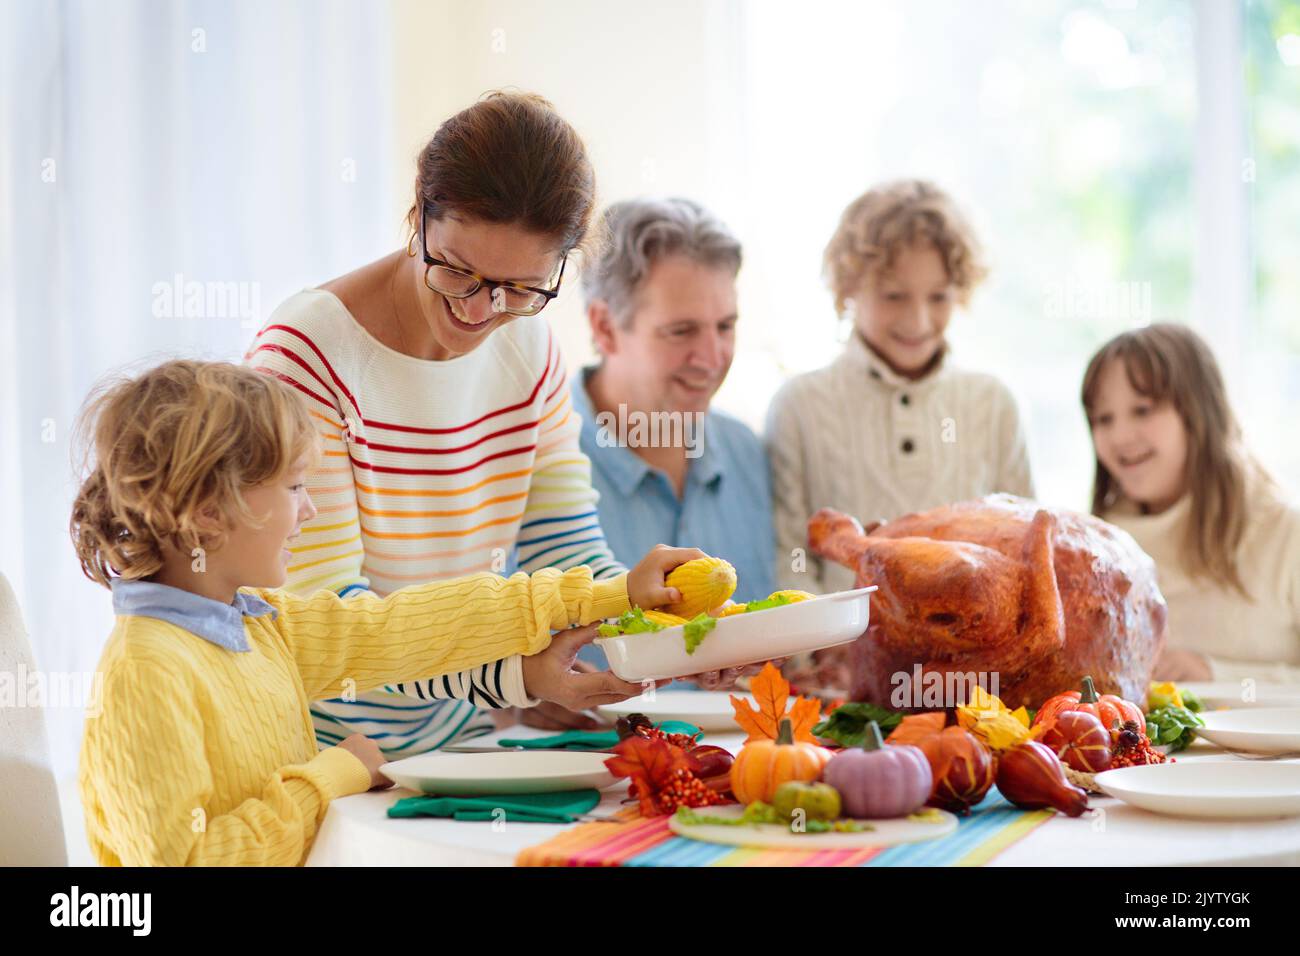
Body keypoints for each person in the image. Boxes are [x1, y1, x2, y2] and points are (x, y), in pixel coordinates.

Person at [247, 92, 741, 750]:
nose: (483, 312)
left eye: (521, 288)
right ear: (417, 215)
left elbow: (566, 556)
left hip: (453, 752)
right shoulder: (304, 357)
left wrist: (680, 634)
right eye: (457, 271)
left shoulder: (529, 351)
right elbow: (329, 631)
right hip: (311, 761)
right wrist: (515, 678)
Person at [71, 360, 699, 865]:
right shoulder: (145, 672)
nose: (309, 511)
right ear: (210, 511)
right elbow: (192, 861)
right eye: (294, 489)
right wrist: (335, 773)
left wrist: (613, 595)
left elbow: (412, 626)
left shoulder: (261, 624)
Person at [766, 179, 1034, 596]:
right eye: (894, 296)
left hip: (975, 658)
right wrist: (810, 658)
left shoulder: (993, 404)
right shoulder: (799, 407)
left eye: (939, 297)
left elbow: (1028, 554)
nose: (919, 322)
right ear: (848, 287)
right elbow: (789, 556)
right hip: (843, 654)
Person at [575, 198, 776, 604]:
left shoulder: (748, 452)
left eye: (725, 326)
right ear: (605, 327)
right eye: (682, 331)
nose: (712, 358)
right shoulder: (530, 459)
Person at [1082, 323, 1300, 683]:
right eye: (1103, 418)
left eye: (1143, 409)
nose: (1119, 436)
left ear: (1199, 414)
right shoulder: (1097, 547)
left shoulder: (1284, 532)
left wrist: (1216, 674)